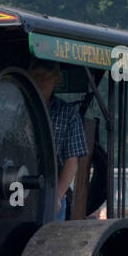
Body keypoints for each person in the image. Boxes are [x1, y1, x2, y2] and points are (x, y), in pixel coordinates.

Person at [27, 59, 87, 221]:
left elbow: (72, 161)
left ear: (56, 79)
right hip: (17, 185)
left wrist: (58, 195)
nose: (40, 82)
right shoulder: (16, 108)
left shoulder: (68, 114)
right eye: (36, 76)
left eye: (45, 77)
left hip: (49, 190)